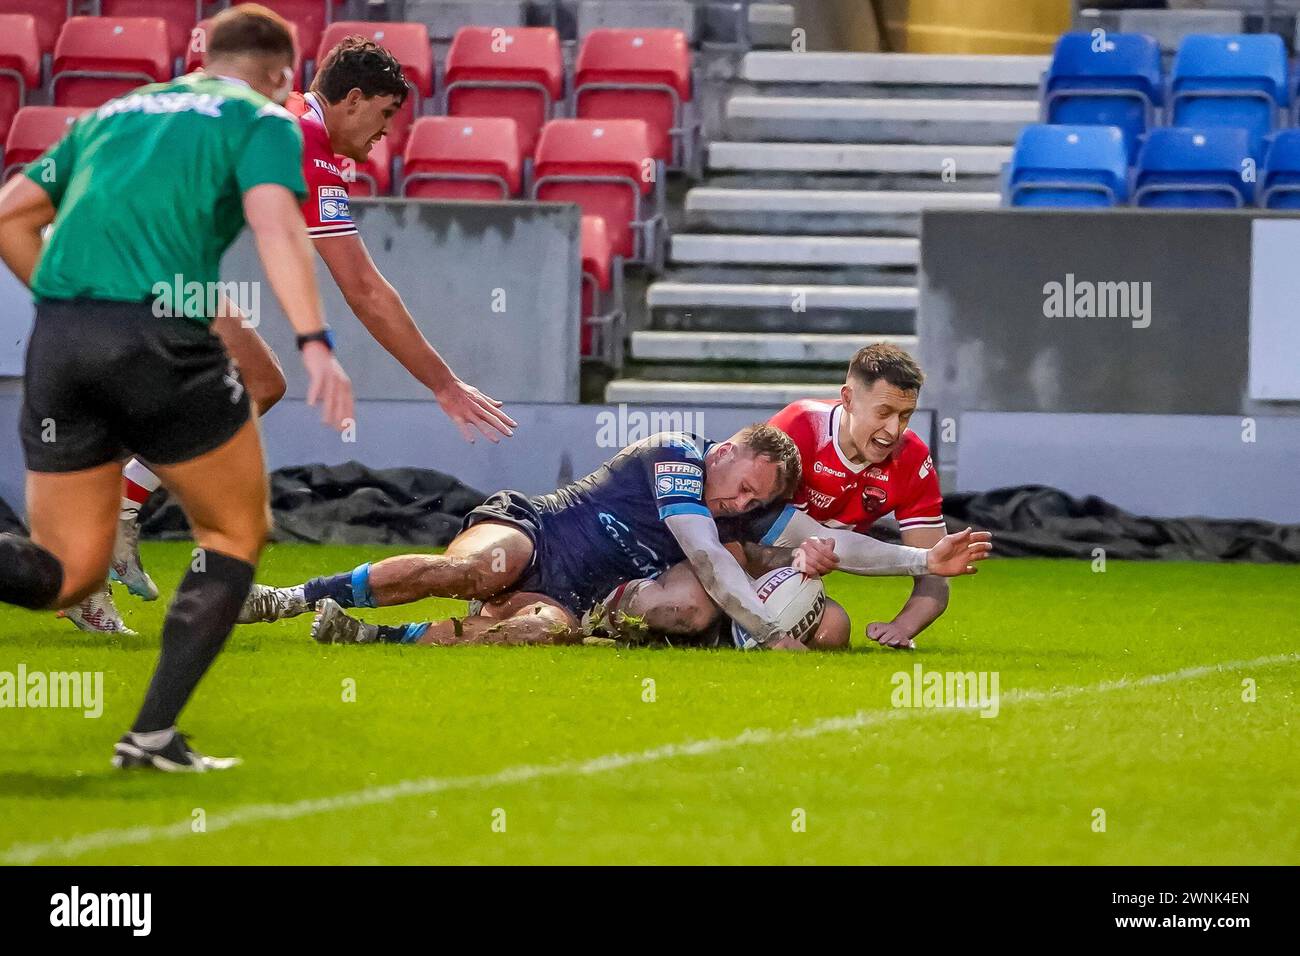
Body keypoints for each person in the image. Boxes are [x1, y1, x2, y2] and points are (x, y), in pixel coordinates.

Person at [0, 4, 353, 770]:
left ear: (203, 56)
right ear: (281, 75)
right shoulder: (261, 119)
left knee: (66, 574)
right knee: (231, 532)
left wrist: (76, 314)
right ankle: (152, 736)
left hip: (61, 337)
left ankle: (150, 733)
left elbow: (11, 217)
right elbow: (274, 224)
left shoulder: (115, 111)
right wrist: (315, 339)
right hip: (162, 334)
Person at [67, 34, 516, 633]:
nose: (387, 134)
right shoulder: (305, 140)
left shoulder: (288, 119)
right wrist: (443, 383)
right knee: (242, 384)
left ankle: (104, 528)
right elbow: (364, 290)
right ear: (352, 100)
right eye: (384, 115)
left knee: (251, 383)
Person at [236, 427, 991, 649]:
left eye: (756, 501)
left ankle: (375, 640)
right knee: (477, 569)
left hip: (573, 592)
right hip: (534, 534)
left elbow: (831, 539)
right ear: (727, 451)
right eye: (743, 486)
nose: (741, 502)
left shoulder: (741, 504)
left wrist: (922, 558)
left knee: (535, 634)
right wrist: (764, 631)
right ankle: (291, 596)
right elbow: (702, 556)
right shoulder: (678, 455)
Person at [594, 343, 958, 651]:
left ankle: (713, 635)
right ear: (848, 399)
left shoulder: (913, 461)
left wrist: (904, 624)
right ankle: (628, 613)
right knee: (705, 589)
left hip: (789, 571)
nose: (893, 430)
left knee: (834, 630)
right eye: (884, 413)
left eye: (905, 416)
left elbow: (936, 569)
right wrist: (802, 554)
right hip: (733, 556)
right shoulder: (800, 428)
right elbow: (735, 526)